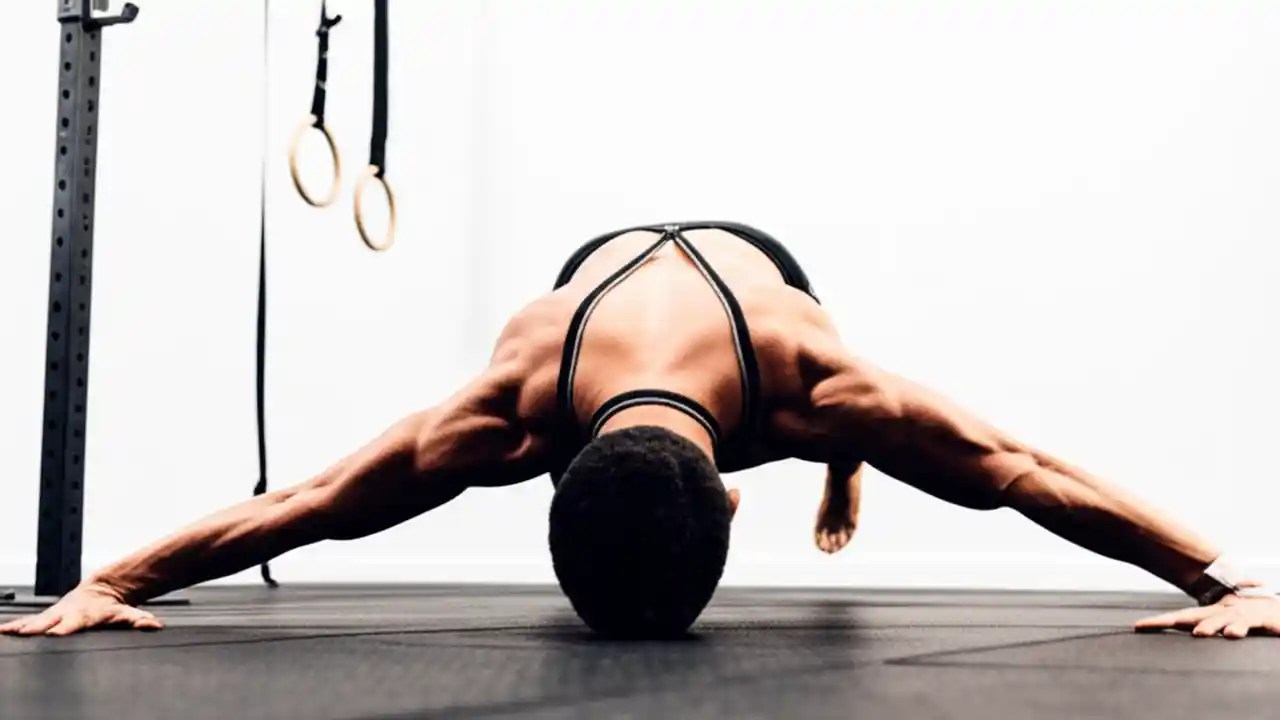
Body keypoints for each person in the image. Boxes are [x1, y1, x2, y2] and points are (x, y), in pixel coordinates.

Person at [2, 221, 1276, 639]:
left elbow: (312, 504)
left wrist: (115, 577)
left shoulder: (812, 380)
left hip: (753, 276)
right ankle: (854, 471)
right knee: (895, 429)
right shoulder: (516, 400)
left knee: (867, 420)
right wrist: (1215, 577)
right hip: (605, 284)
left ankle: (847, 478)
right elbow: (1022, 472)